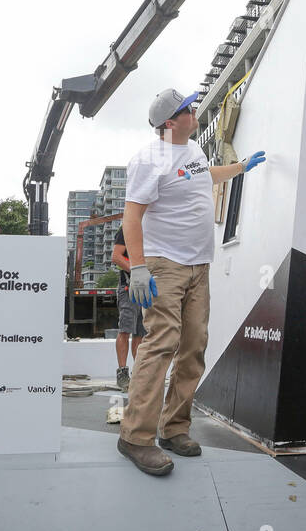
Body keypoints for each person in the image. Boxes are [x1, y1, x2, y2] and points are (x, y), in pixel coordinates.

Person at [117, 88, 265, 476]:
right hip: (164, 265)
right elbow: (131, 218)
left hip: (200, 266)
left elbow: (203, 176)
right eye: (188, 108)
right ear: (170, 122)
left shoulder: (193, 150)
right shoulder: (149, 161)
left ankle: (174, 428)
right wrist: (138, 268)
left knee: (194, 345)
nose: (195, 110)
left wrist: (239, 168)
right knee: (161, 342)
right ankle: (135, 436)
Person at [111, 225, 144, 391]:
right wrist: (139, 271)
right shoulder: (128, 228)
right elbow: (116, 256)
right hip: (128, 287)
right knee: (125, 330)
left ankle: (138, 374)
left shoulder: (153, 228)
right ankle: (122, 373)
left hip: (145, 290)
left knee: (140, 334)